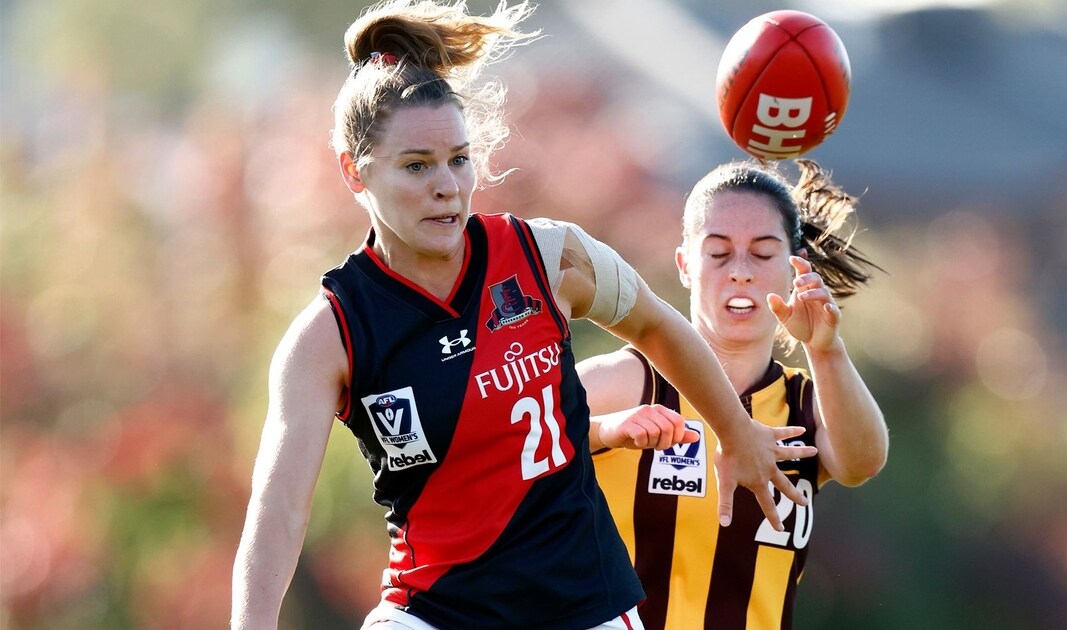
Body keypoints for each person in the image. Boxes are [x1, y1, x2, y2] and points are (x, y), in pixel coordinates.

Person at [230, 2, 816, 629]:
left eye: (458, 159)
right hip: (433, 611)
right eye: (416, 166)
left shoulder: (547, 255)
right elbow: (278, 513)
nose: (446, 185)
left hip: (582, 607)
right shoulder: (330, 336)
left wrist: (738, 432)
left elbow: (658, 326)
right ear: (354, 171)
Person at [583, 159, 890, 630]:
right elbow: (501, 435)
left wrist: (825, 349)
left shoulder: (806, 404)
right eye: (719, 253)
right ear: (686, 264)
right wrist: (603, 430)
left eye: (764, 254)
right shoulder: (628, 382)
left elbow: (862, 462)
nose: (741, 272)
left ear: (794, 265)